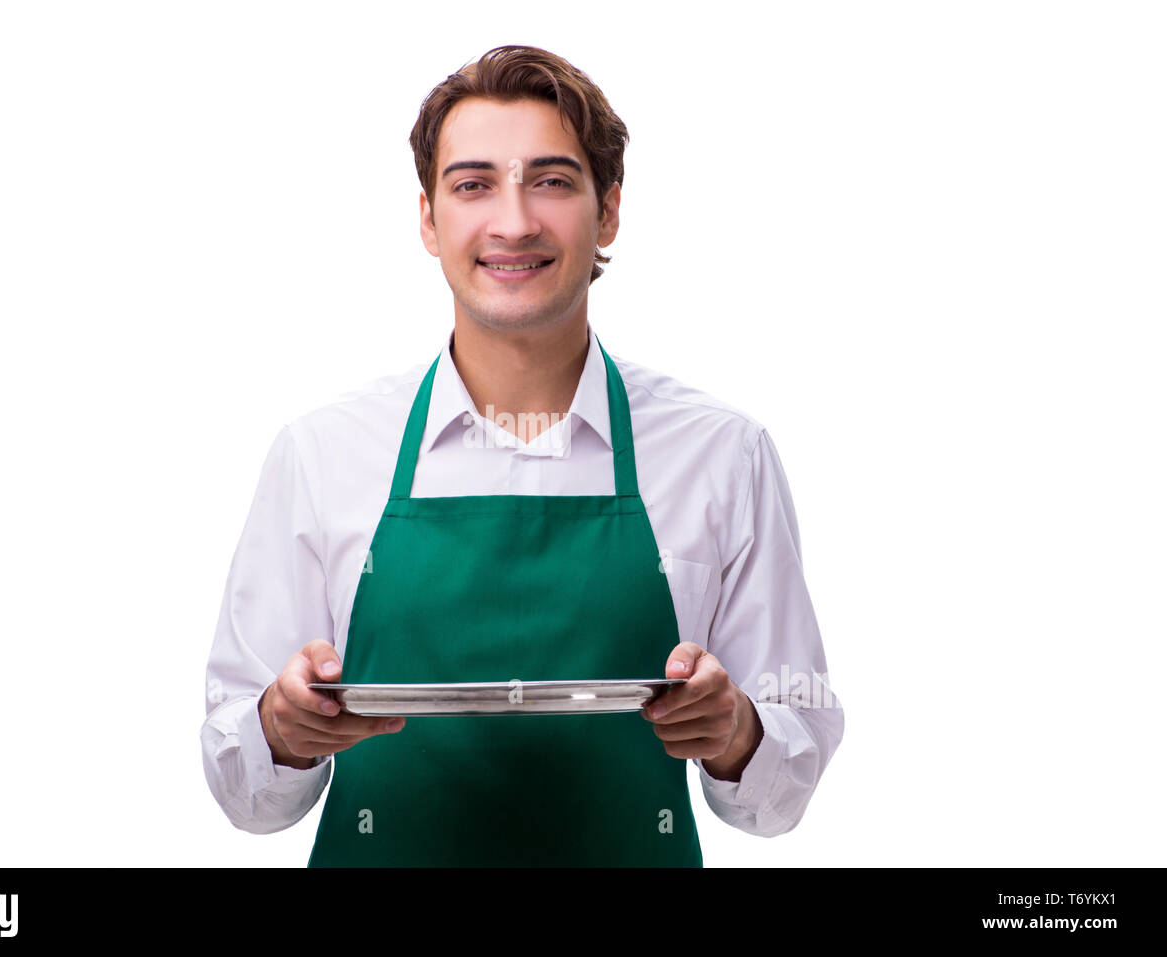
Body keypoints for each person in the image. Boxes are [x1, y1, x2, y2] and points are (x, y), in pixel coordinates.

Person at [200, 44, 843, 866]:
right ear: (429, 220)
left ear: (608, 211)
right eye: (473, 185)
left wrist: (736, 731)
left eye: (551, 180)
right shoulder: (322, 454)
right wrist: (280, 728)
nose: (513, 221)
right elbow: (245, 793)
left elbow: (785, 777)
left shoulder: (722, 453)